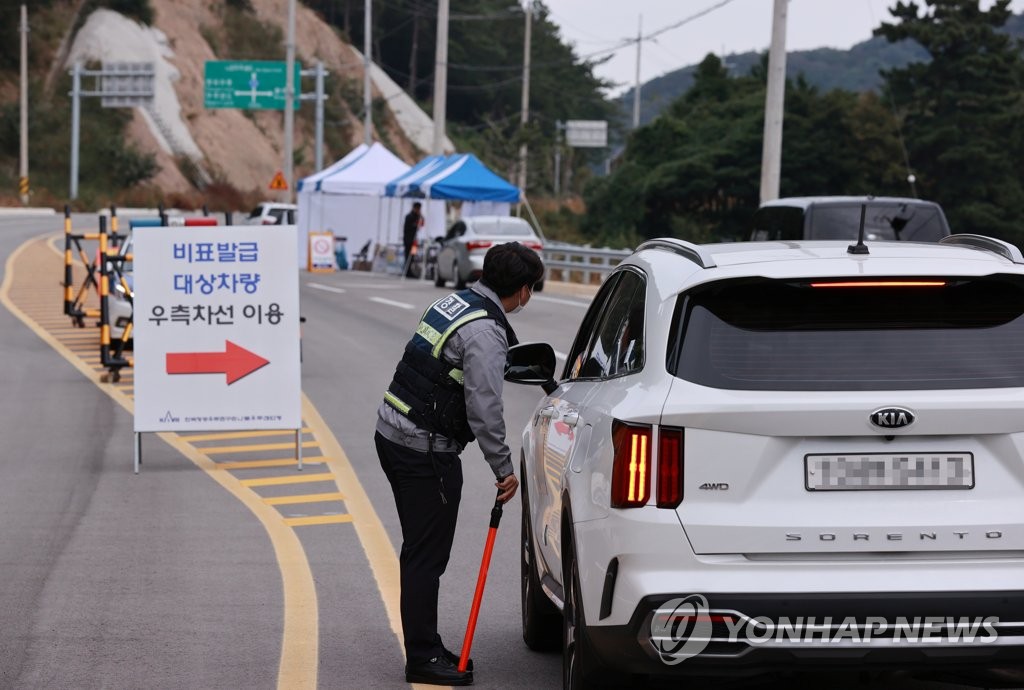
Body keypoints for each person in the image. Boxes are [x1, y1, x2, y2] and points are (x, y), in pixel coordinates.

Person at [375, 242, 545, 686]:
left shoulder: (453, 303)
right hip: (423, 448)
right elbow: (484, 407)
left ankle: (426, 643)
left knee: (419, 549)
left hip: (392, 431)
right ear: (524, 291)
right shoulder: (486, 333)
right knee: (425, 555)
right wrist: (504, 469)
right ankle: (423, 657)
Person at [402, 202, 424, 277]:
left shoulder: (418, 216)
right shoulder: (409, 216)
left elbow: (422, 223)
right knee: (408, 256)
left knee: (413, 256)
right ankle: (407, 272)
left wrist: (420, 215)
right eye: (417, 209)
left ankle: (410, 271)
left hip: (414, 241)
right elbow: (412, 226)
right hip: (408, 240)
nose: (418, 210)